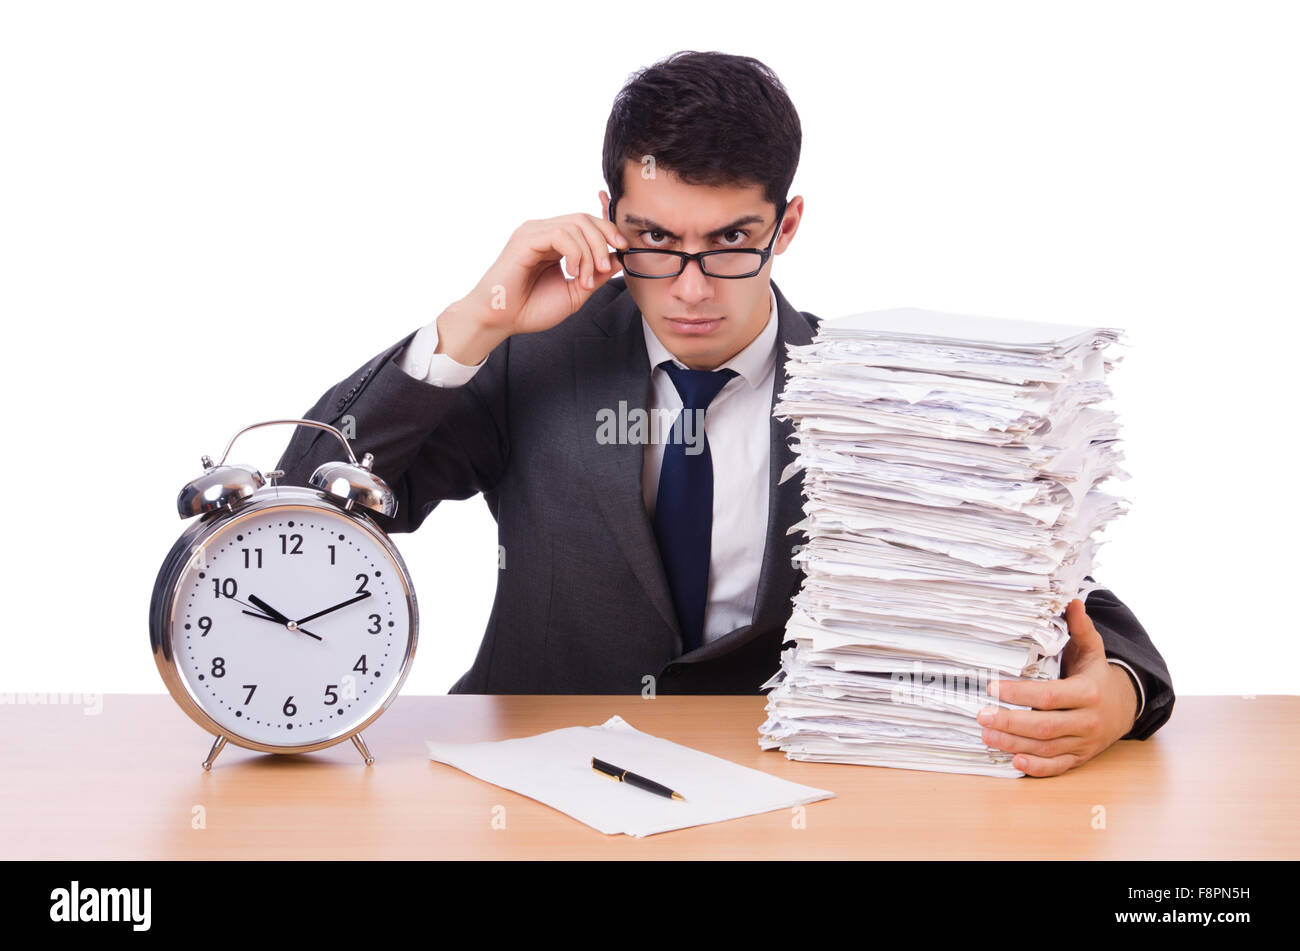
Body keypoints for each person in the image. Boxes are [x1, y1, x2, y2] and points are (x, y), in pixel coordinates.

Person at [275, 50, 1174, 776]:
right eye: (656, 241)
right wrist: (474, 321)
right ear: (608, 218)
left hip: (770, 788)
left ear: (785, 227)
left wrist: (1122, 690)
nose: (692, 289)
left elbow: (1042, 578)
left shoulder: (864, 394)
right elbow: (304, 508)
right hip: (519, 782)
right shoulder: (529, 362)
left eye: (731, 242)